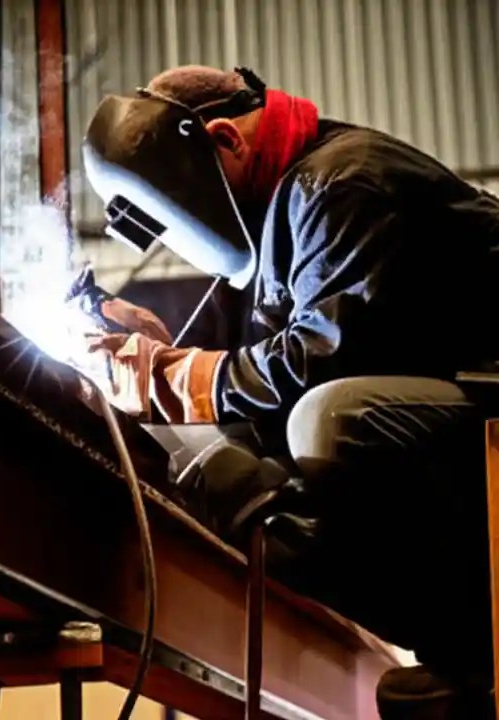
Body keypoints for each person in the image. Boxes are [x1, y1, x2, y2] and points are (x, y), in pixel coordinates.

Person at [78, 65, 499, 717]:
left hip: (491, 415)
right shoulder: (281, 214)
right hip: (457, 428)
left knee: (331, 420)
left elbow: (321, 359)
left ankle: (481, 645)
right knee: (239, 486)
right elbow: (260, 379)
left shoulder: (341, 182)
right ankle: (467, 655)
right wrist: (162, 353)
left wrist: (170, 378)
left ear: (226, 139)